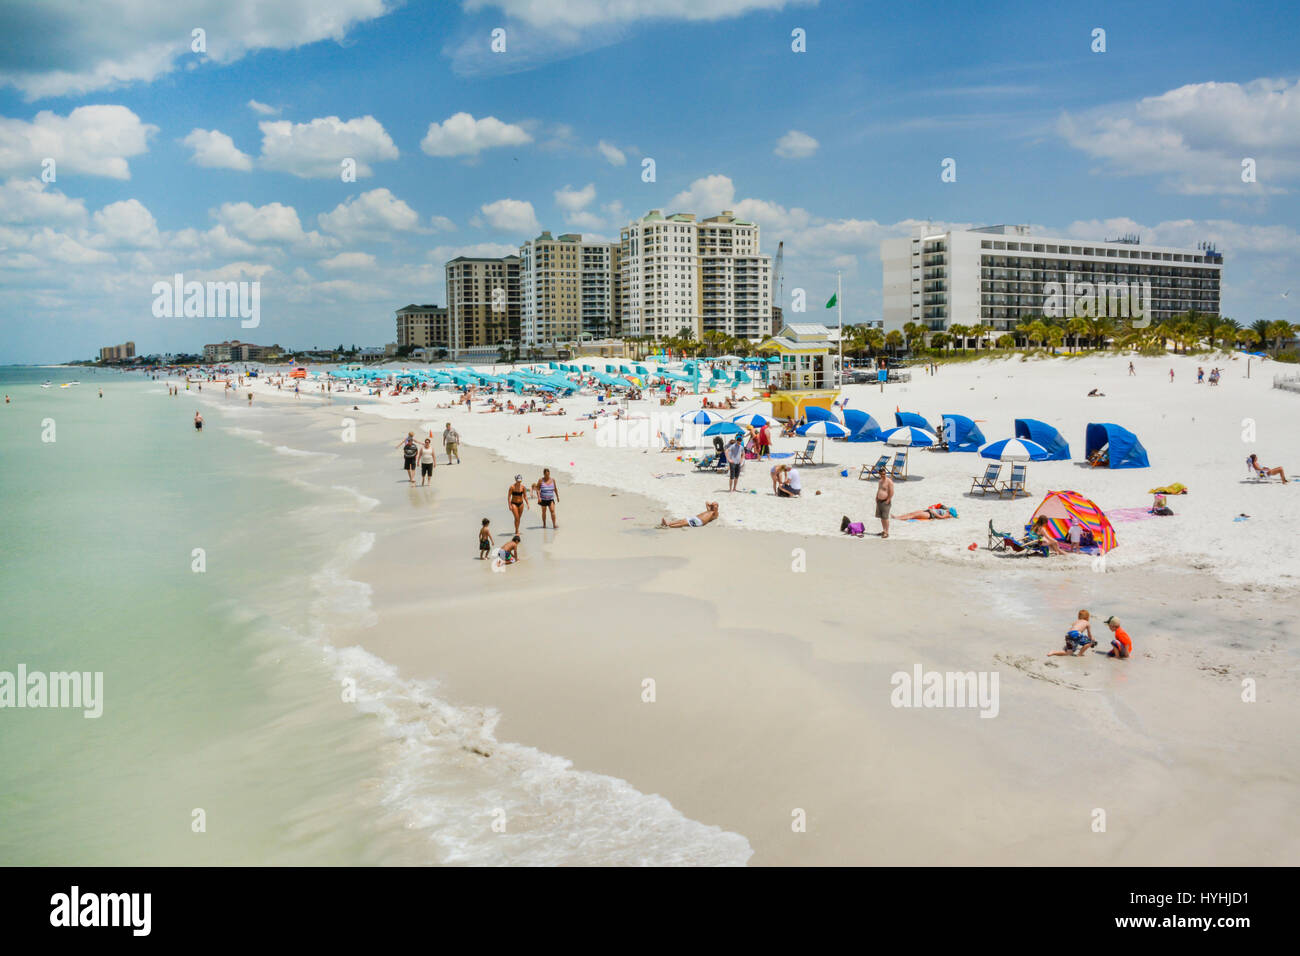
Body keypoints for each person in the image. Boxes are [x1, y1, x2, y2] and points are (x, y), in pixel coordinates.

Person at [876, 468, 894, 537]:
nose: (883, 475)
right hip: (879, 501)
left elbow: (892, 491)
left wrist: (888, 499)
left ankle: (887, 532)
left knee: (885, 517)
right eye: (882, 474)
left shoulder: (889, 481)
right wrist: (876, 497)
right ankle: (884, 530)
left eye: (884, 474)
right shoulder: (880, 481)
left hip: (885, 501)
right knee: (881, 517)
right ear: (879, 474)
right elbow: (879, 489)